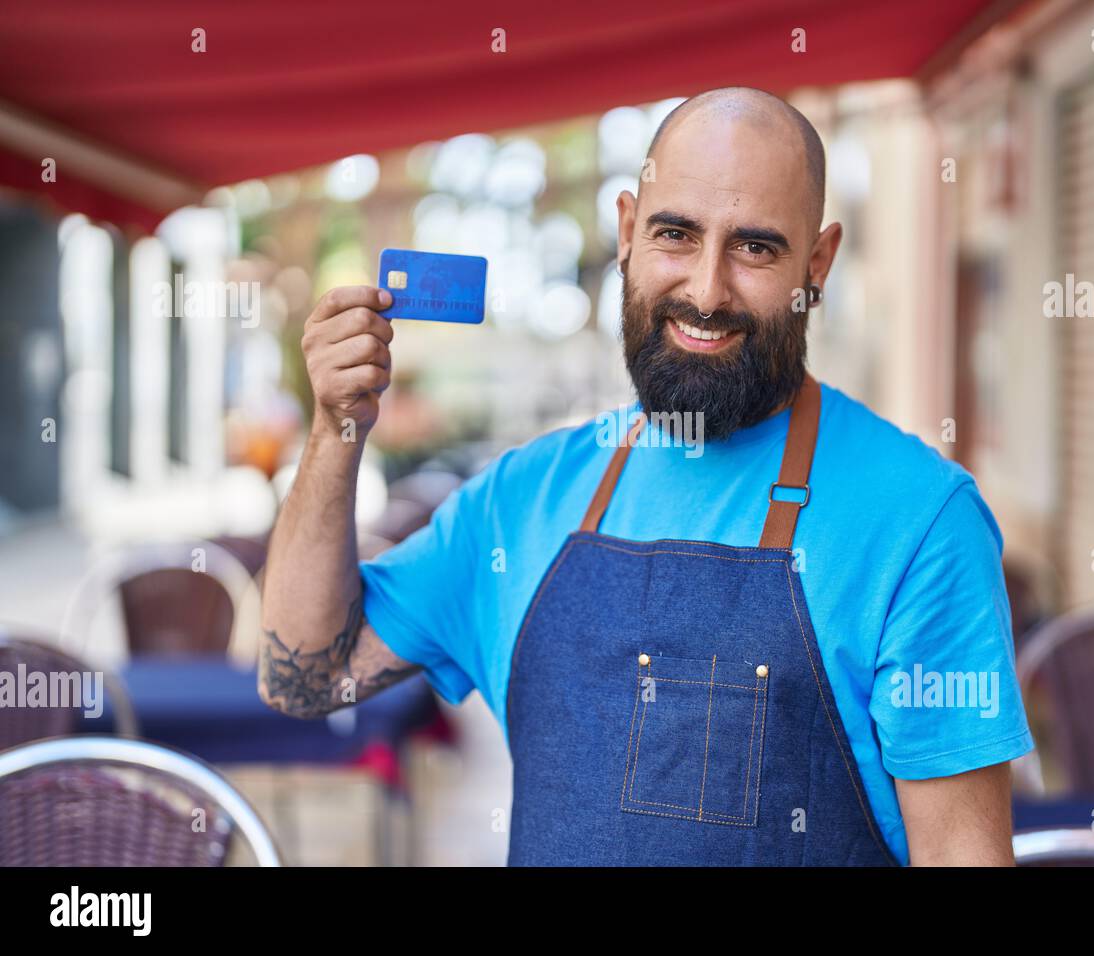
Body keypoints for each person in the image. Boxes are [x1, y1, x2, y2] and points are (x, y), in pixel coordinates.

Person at [259, 86, 1034, 866]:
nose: (705, 291)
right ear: (629, 231)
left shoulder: (920, 521)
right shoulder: (521, 500)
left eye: (755, 248)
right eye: (676, 234)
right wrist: (335, 433)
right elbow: (304, 678)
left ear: (818, 263)